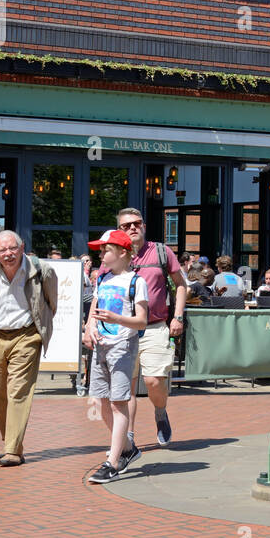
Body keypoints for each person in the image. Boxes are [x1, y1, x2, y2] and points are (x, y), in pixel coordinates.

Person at [0, 230, 58, 467]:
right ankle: (10, 443)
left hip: (26, 335)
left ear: (22, 248)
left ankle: (12, 449)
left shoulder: (41, 270)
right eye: (3, 250)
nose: (9, 254)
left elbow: (51, 301)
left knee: (18, 391)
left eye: (13, 248)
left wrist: (39, 329)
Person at [109, 207, 185, 452]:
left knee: (153, 381)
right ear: (118, 229)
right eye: (126, 225)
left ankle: (160, 412)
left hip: (154, 326)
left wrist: (178, 317)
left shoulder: (161, 252)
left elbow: (181, 285)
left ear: (143, 226)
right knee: (126, 386)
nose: (132, 228)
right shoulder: (114, 254)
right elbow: (102, 290)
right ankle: (129, 436)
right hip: (123, 330)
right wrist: (92, 324)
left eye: (137, 223)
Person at [83, 230, 149, 484]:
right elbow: (95, 308)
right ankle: (127, 448)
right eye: (100, 250)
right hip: (101, 346)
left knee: (117, 402)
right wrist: (89, 327)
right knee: (101, 399)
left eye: (105, 250)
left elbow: (141, 320)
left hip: (122, 345)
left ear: (123, 253)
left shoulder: (135, 282)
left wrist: (117, 319)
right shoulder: (102, 278)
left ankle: (113, 462)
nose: (100, 254)